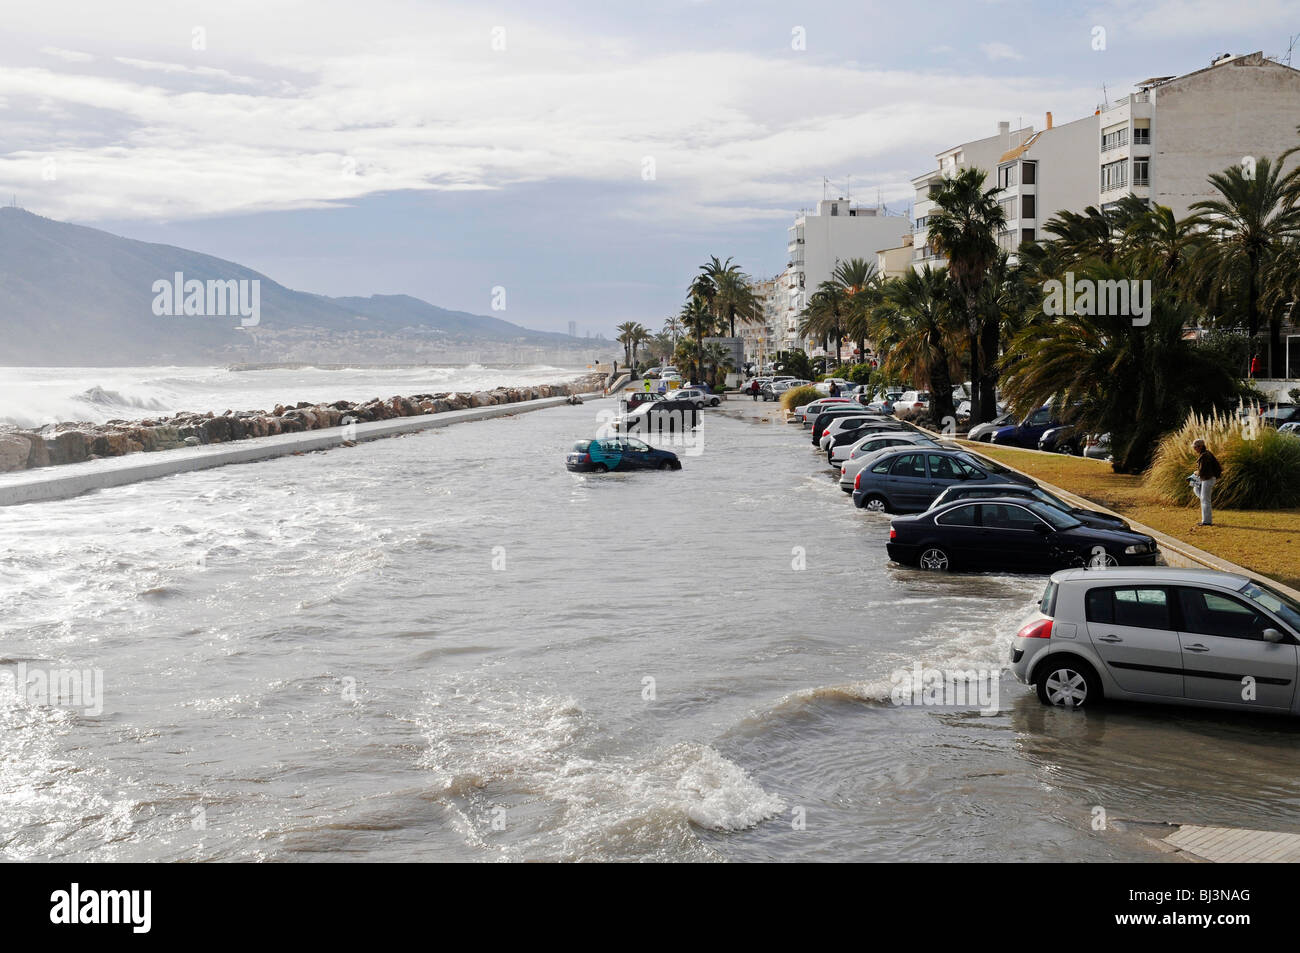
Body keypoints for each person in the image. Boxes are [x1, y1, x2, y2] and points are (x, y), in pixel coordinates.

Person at [1192, 438, 1222, 526]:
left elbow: (1202, 471)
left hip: (1208, 479)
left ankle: (1207, 521)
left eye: (1195, 447)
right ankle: (1204, 501)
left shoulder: (1205, 455)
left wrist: (1195, 473)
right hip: (1205, 478)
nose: (1194, 449)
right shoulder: (1205, 454)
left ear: (1200, 446)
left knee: (1205, 500)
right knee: (1196, 489)